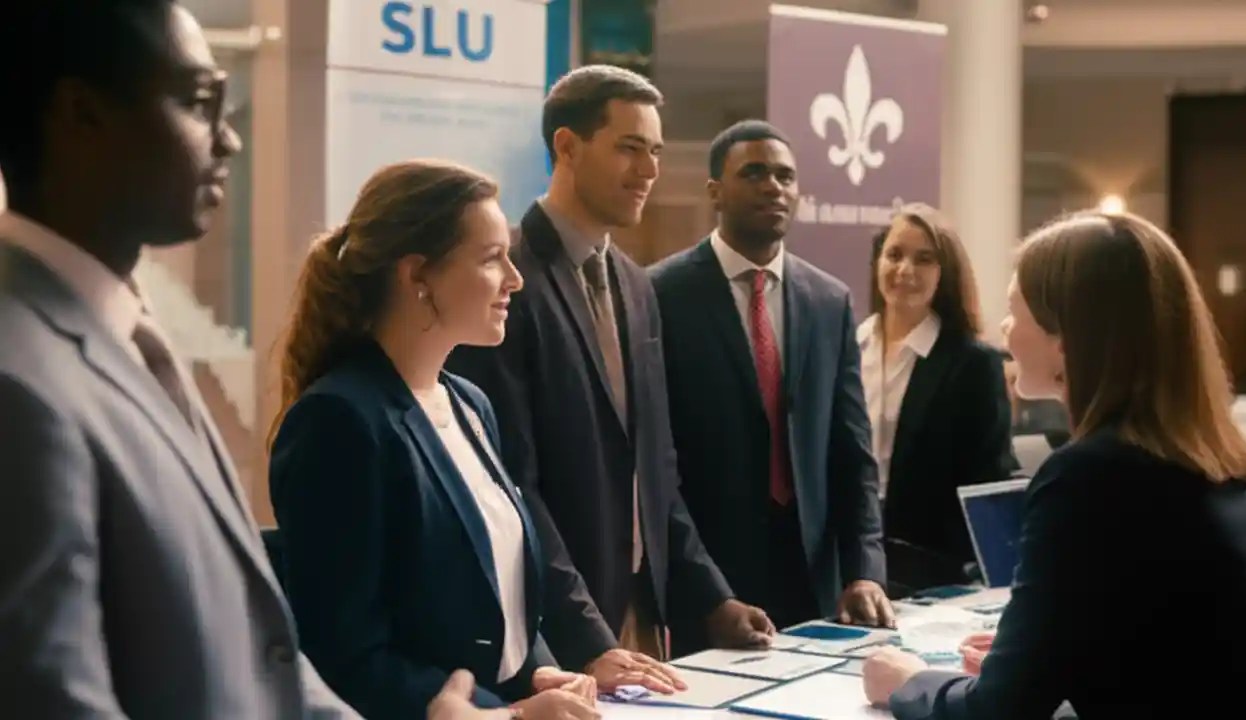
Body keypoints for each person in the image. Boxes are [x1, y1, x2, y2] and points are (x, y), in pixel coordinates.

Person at [0, 1, 357, 716]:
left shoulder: (129, 337)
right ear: (80, 115)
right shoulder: (19, 382)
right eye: (199, 103)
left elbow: (262, 659)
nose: (227, 141)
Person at [268, 160, 681, 720]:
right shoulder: (338, 421)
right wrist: (506, 716)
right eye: (491, 258)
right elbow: (343, 659)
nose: (516, 278)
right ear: (418, 276)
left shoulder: (470, 404)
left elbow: (488, 604)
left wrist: (533, 673)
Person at [863, 211, 1246, 718]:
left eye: (1015, 310)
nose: (1004, 328)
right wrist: (1037, 650)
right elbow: (1166, 651)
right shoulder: (1237, 469)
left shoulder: (1088, 480)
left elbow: (997, 711)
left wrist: (909, 682)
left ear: (1067, 335)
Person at [447, 65, 773, 663]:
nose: (649, 170)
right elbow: (511, 483)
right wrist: (587, 634)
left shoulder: (637, 284)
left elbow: (655, 469)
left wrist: (713, 598)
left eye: (654, 151)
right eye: (629, 149)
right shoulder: (504, 282)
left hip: (643, 622)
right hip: (551, 636)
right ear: (567, 147)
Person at [649, 120, 891, 637]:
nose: (773, 187)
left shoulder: (829, 300)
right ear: (715, 191)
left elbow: (852, 452)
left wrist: (864, 571)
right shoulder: (660, 295)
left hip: (816, 578)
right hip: (711, 584)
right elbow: (655, 466)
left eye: (785, 175)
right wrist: (708, 593)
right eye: (754, 173)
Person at [859, 207, 1015, 595]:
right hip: (849, 559)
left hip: (930, 571)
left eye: (924, 259)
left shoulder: (972, 363)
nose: (905, 270)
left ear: (944, 273)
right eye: (894, 254)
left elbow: (987, 476)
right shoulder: (846, 346)